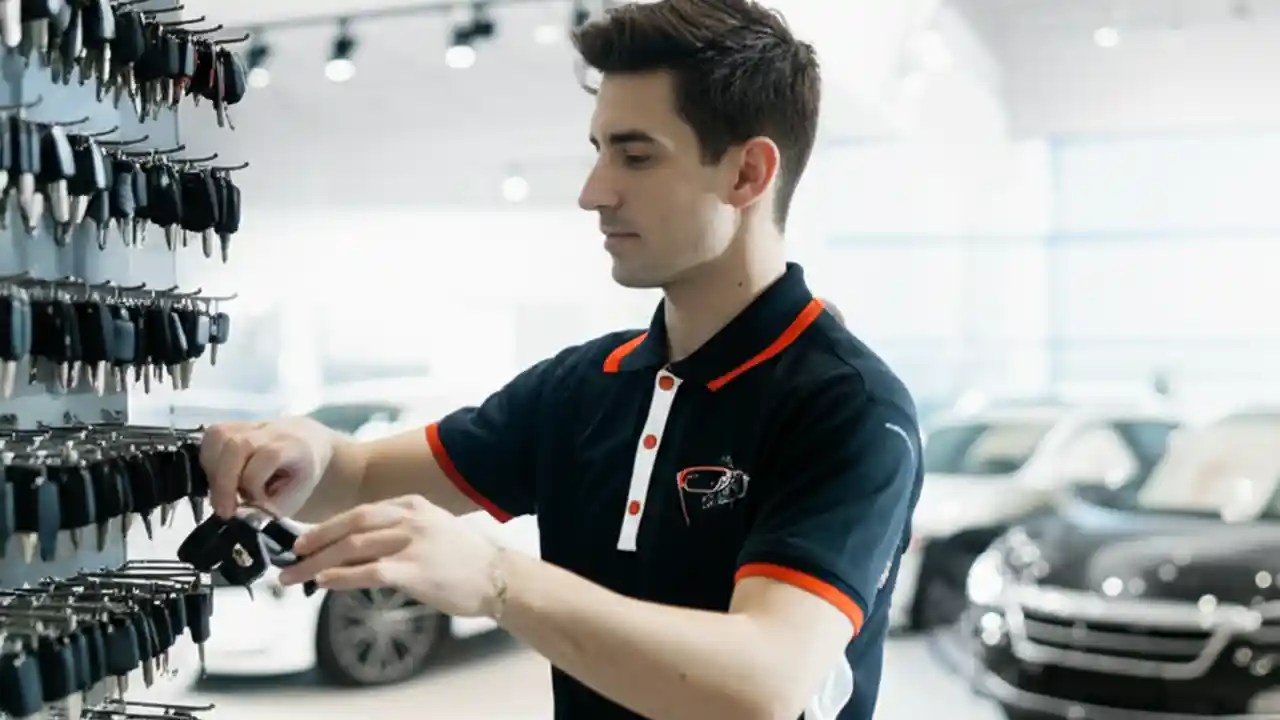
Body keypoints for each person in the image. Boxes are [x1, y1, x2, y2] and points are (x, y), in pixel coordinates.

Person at [198, 1, 922, 718]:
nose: (593, 192)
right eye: (598, 150)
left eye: (635, 156)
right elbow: (359, 478)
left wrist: (498, 581)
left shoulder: (849, 407)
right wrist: (305, 449)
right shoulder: (581, 388)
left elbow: (760, 683)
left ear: (746, 175)